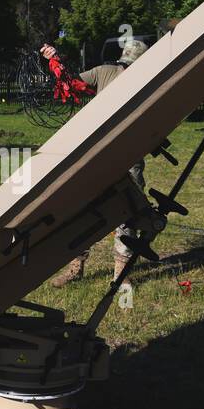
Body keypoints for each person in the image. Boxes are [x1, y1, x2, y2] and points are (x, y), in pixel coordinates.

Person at [41, 37, 150, 289]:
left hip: (113, 155)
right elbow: (72, 83)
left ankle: (106, 272)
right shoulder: (121, 74)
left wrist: (55, 58)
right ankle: (114, 275)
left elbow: (70, 82)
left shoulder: (106, 71)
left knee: (88, 210)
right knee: (125, 211)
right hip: (115, 154)